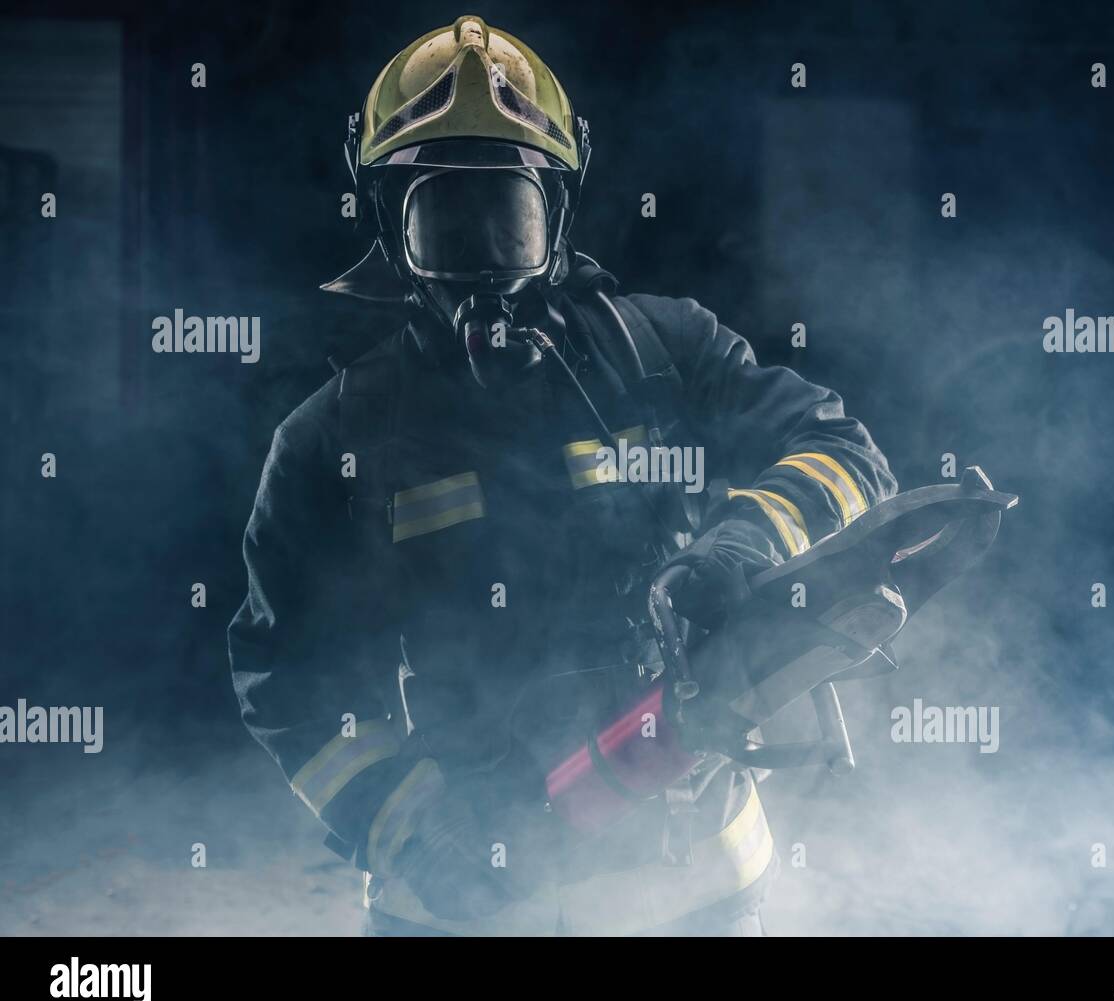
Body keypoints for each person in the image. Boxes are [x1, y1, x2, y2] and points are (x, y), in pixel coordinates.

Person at [228, 14, 896, 936]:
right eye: (445, 222)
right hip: (466, 906)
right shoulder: (328, 441)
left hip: (695, 886)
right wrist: (409, 828)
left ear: (558, 214)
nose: (481, 274)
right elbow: (282, 672)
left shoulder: (668, 353)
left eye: (507, 219)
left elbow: (844, 451)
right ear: (387, 222)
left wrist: (742, 543)